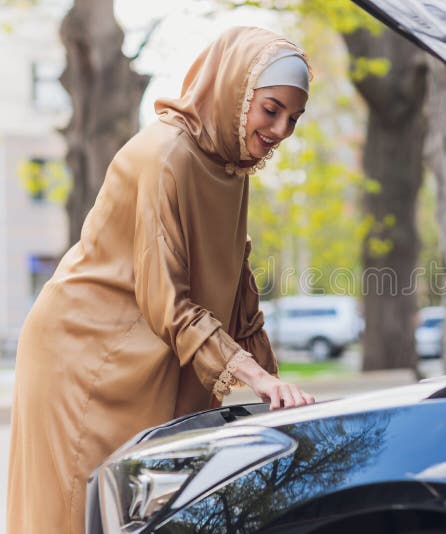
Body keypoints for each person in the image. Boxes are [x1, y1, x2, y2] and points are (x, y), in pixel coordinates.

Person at [7, 26, 315, 533]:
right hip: (85, 358)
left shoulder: (233, 168)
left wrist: (276, 389)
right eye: (272, 109)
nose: (281, 129)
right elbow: (167, 301)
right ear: (237, 92)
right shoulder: (165, 156)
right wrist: (253, 379)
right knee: (82, 517)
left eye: (293, 118)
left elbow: (239, 296)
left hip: (149, 353)